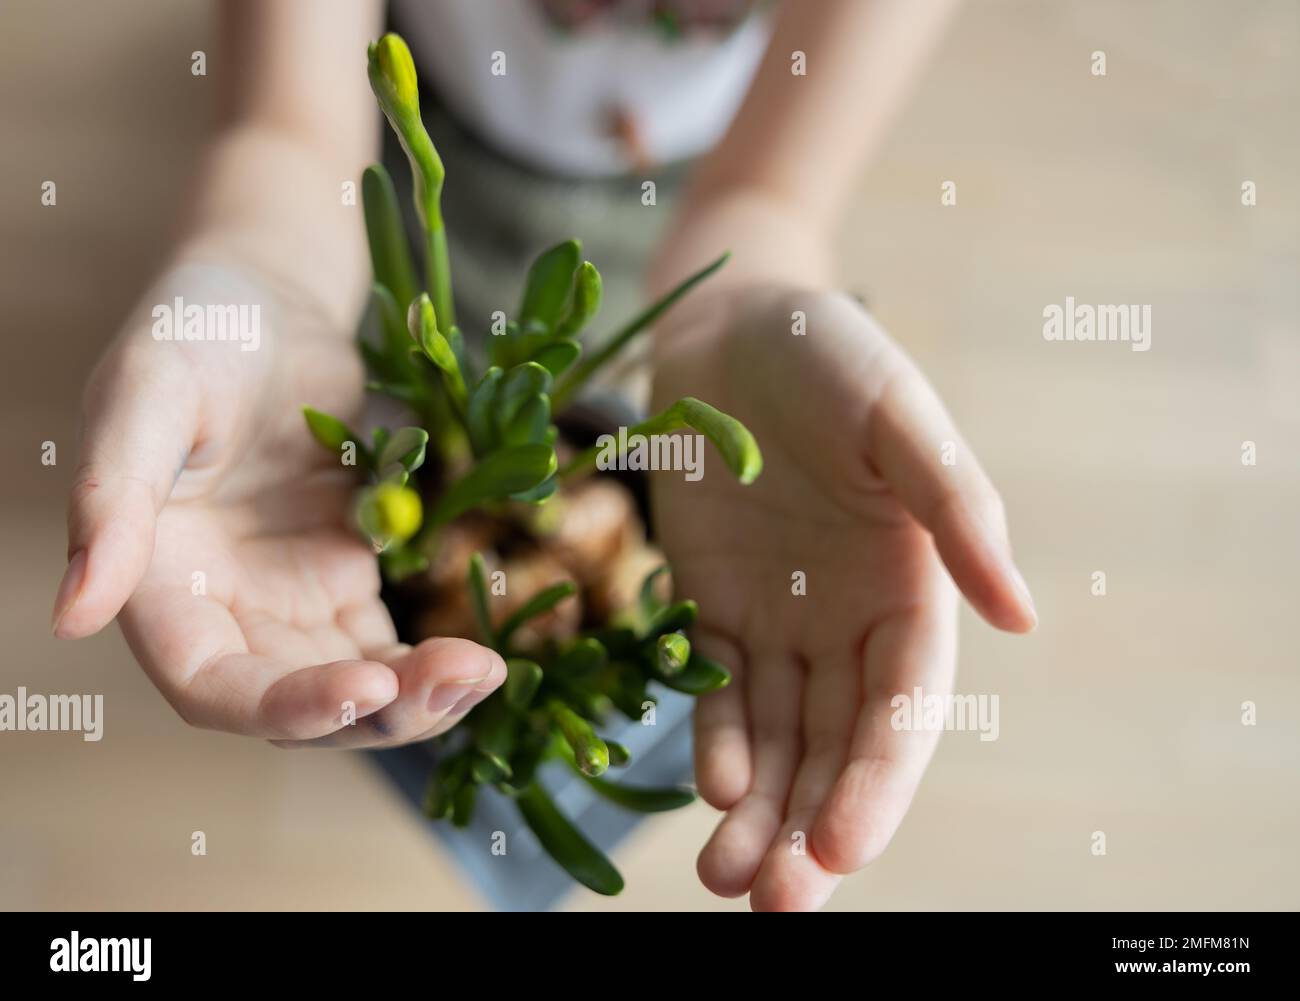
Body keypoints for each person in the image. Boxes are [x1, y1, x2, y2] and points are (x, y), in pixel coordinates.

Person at [50, 0, 1035, 911]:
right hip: (386, 139)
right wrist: (258, 272)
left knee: (538, 375)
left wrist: (745, 306)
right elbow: (291, 135)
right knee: (414, 360)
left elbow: (768, 196)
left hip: (693, 188)